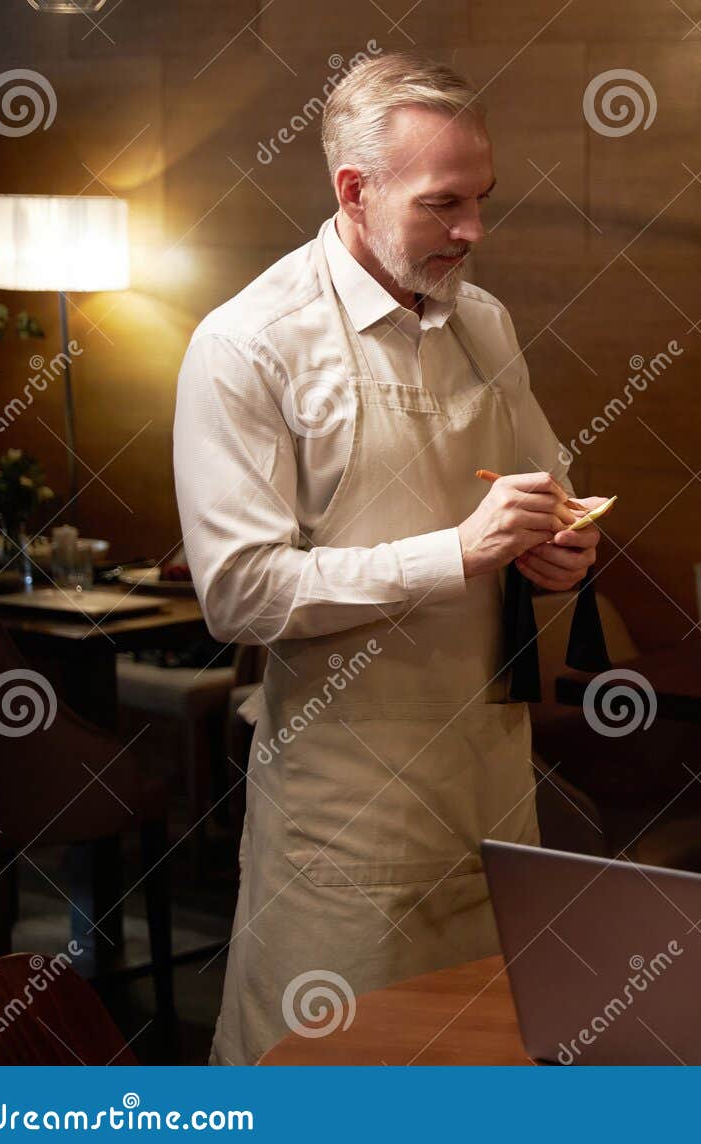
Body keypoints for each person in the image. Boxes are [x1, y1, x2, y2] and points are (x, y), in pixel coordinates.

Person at [173, 53, 607, 1064]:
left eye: (481, 202)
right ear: (353, 191)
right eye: (442, 205)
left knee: (487, 1076)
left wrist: (566, 544)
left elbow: (549, 486)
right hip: (345, 806)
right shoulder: (247, 345)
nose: (471, 233)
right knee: (330, 1085)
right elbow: (238, 593)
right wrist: (455, 553)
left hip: (490, 779)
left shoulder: (484, 321)